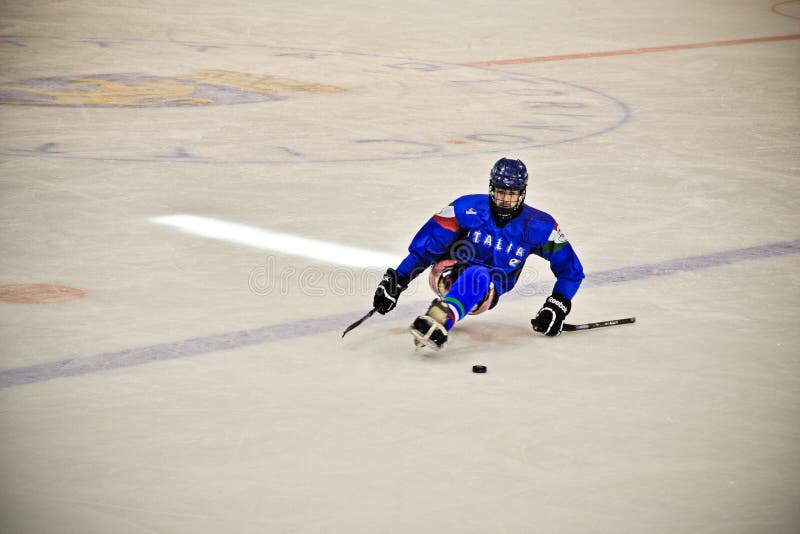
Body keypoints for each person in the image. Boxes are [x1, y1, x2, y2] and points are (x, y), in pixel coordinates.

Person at [372, 157, 585, 350]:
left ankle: (441, 317)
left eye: (511, 194)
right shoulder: (464, 207)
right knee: (472, 271)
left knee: (479, 275)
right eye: (501, 192)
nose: (505, 200)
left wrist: (556, 305)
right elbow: (427, 248)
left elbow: (571, 272)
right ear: (492, 188)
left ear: (523, 192)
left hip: (488, 291)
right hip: (447, 271)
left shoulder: (542, 227)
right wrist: (398, 280)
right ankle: (442, 319)